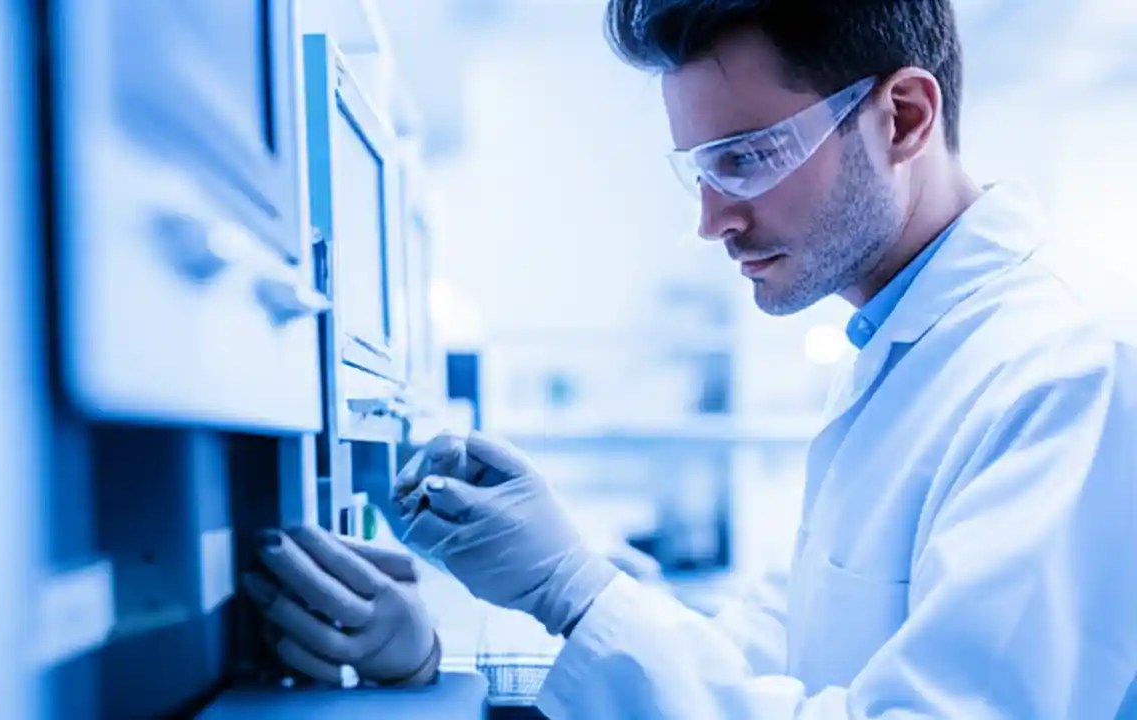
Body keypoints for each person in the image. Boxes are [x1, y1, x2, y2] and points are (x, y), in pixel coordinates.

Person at [244, 0, 1137, 716]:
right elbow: (769, 653)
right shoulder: (903, 351)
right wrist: (445, 647)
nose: (713, 219)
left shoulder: (1061, 373)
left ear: (902, 116)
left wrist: (575, 588)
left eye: (747, 158)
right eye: (701, 169)